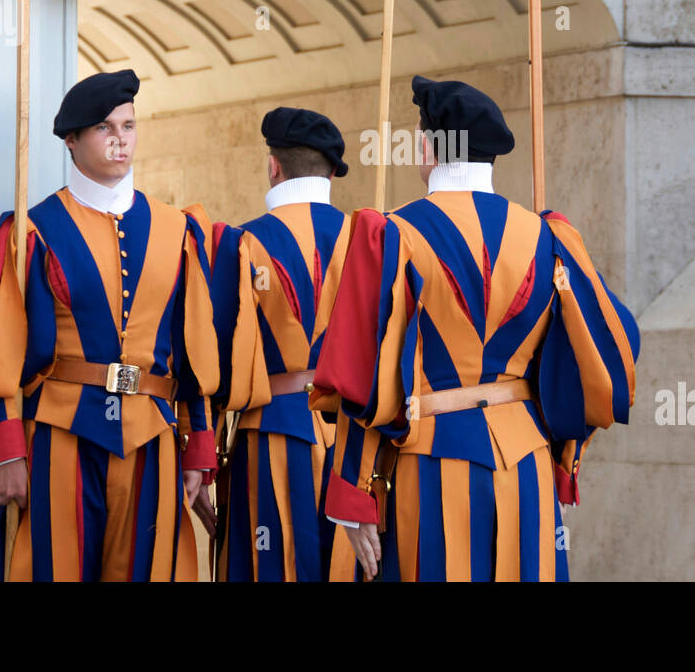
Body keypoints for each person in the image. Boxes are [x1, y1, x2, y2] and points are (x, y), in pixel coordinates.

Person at [311, 76, 640, 581]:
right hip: (526, 461)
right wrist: (566, 456)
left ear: (427, 147)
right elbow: (595, 345)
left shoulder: (391, 233)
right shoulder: (549, 235)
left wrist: (354, 492)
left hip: (431, 462)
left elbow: (364, 373)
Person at [0, 69, 220, 581]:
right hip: (59, 439)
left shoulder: (181, 232)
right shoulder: (29, 230)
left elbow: (192, 350)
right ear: (72, 140)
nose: (120, 139)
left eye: (128, 126)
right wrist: (3, 451)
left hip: (152, 438)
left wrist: (199, 447)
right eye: (105, 128)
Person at [197, 107, 353, 581]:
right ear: (331, 172)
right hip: (351, 438)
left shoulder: (237, 243)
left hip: (267, 436)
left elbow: (208, 357)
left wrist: (200, 458)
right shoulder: (372, 240)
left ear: (273, 165)